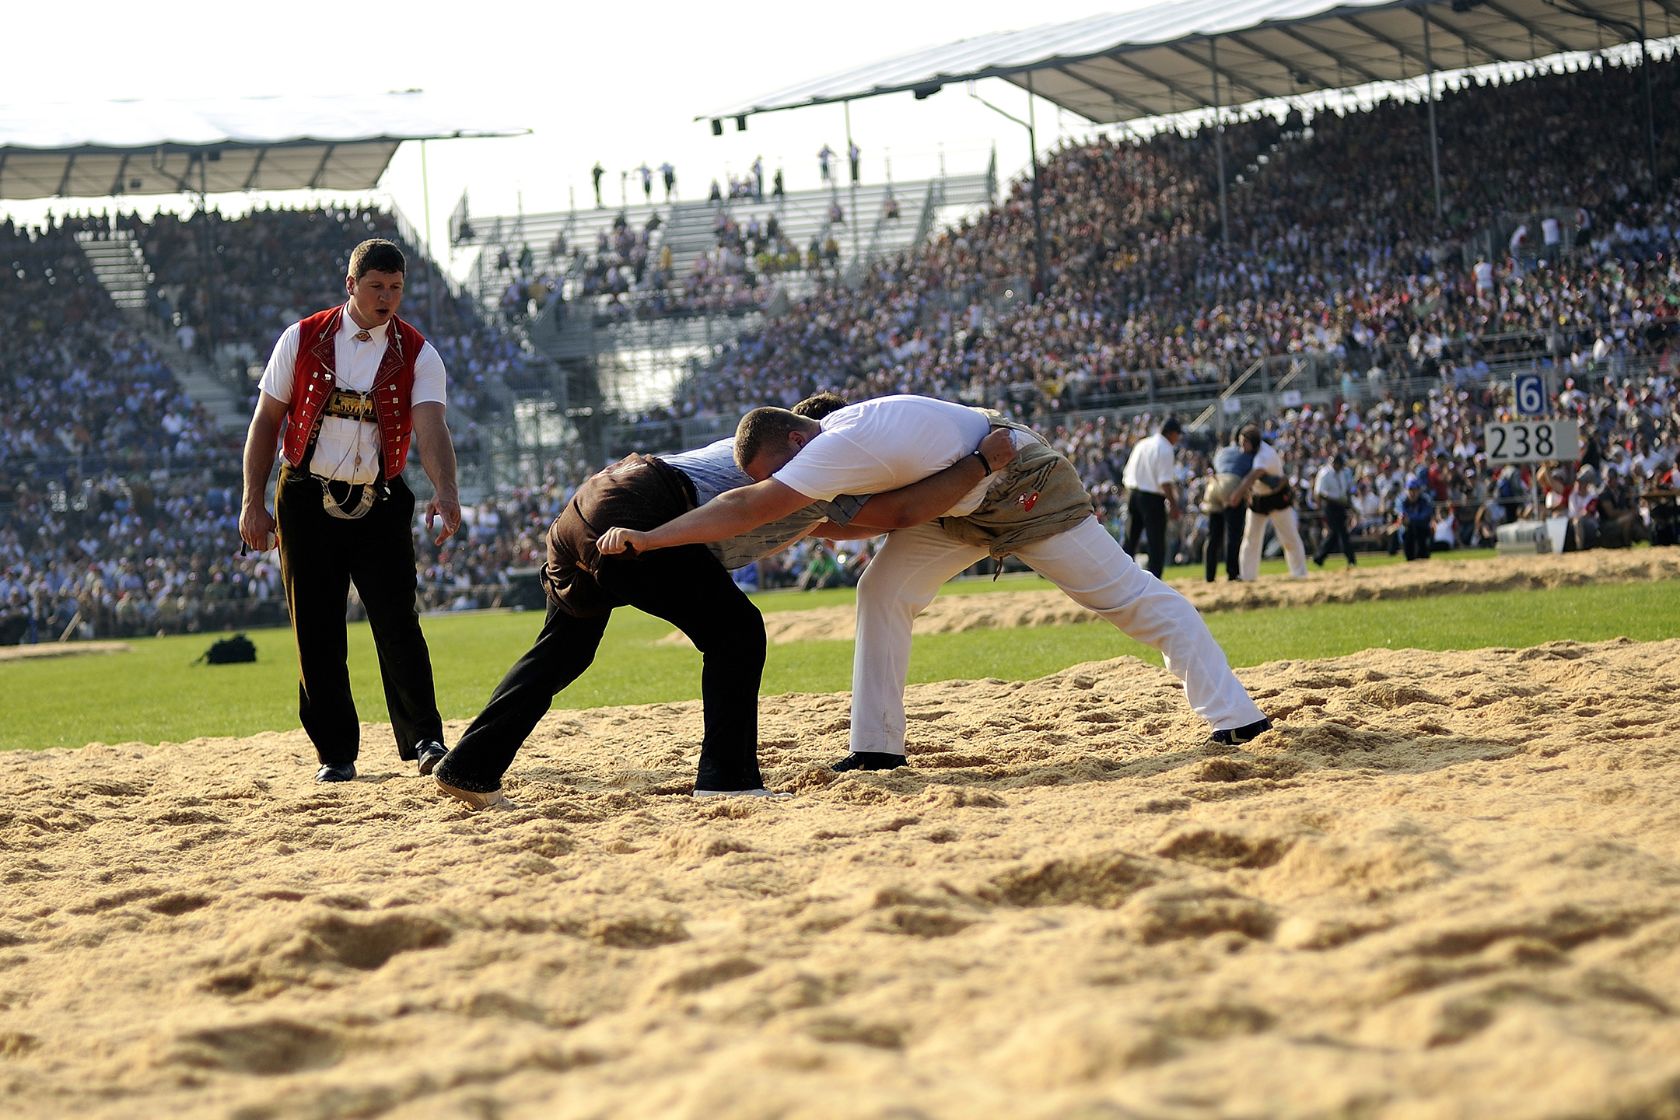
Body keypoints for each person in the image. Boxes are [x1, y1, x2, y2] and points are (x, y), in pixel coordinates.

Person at [598, 395, 1271, 772]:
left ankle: (1238, 719)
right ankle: (876, 749)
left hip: (1021, 486)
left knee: (1126, 598)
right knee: (881, 593)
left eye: (778, 470)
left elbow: (892, 514)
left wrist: (654, 539)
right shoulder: (837, 444)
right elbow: (852, 518)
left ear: (798, 439)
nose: (779, 485)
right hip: (959, 499)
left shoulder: (841, 444)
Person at [430, 406, 1018, 811]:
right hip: (643, 503)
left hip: (585, 508)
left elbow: (844, 527)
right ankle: (727, 780)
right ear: (806, 435)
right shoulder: (820, 464)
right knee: (737, 631)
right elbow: (888, 515)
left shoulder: (793, 470)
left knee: (563, 652)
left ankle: (469, 765)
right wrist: (980, 467)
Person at [238, 238, 462, 783]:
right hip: (303, 498)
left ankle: (426, 739)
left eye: (396, 288)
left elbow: (431, 427)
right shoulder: (301, 338)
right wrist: (251, 502)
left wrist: (446, 490)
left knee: (397, 622)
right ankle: (335, 753)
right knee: (315, 628)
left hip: (381, 500)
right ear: (351, 286)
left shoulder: (419, 353)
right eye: (376, 287)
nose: (387, 298)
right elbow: (266, 423)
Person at [1230, 423, 1308, 581]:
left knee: (1289, 537)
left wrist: (1237, 494)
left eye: (1244, 442)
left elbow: (1252, 476)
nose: (1241, 446)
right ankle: (1247, 576)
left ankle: (1299, 573)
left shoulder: (1265, 455)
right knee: (1251, 538)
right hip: (1258, 498)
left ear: (1253, 442)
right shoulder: (1248, 453)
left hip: (1276, 498)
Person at [1121, 416, 1181, 578]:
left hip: (1133, 494)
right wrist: (1174, 505)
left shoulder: (1143, 443)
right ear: (1171, 434)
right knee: (1156, 542)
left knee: (1130, 539)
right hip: (1152, 498)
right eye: (1177, 435)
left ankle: (1120, 577)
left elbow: (1127, 472)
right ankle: (1156, 579)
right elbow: (1165, 481)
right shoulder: (1165, 448)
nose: (1178, 439)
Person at [1202, 435, 1249, 582]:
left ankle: (1209, 576)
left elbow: (1212, 467)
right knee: (1233, 535)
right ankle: (1232, 573)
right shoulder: (1245, 453)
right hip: (1232, 484)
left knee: (1213, 536)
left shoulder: (1221, 451)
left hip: (1214, 485)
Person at [1311, 453, 1357, 568]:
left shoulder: (1341, 473)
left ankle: (1319, 557)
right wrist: (1336, 501)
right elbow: (1319, 493)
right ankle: (1351, 559)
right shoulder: (1325, 473)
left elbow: (1344, 490)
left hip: (1340, 506)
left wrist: (1347, 503)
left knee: (1335, 534)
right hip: (1330, 506)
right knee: (1341, 533)